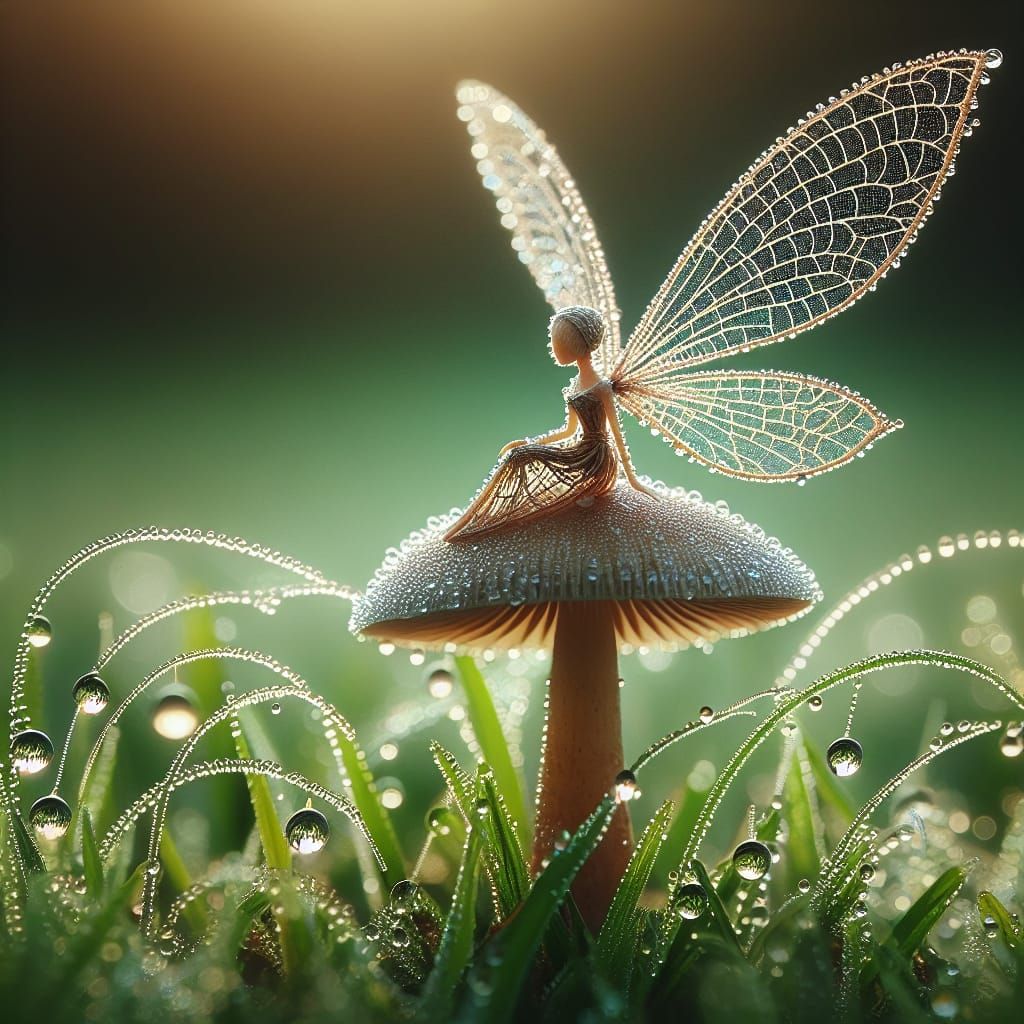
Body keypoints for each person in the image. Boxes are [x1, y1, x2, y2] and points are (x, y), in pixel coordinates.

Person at [445, 306, 656, 542]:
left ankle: (481, 522)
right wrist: (530, 442)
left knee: (519, 458)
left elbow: (616, 435)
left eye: (560, 342)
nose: (554, 349)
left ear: (579, 344)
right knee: (518, 454)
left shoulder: (602, 388)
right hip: (580, 451)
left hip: (595, 459)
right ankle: (477, 518)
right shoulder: (576, 384)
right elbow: (569, 431)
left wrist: (633, 479)